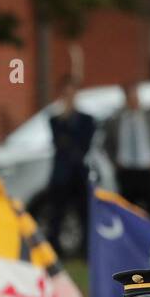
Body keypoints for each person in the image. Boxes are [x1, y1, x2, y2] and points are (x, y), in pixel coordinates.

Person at [43, 76, 95, 256]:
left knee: (84, 214)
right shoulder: (56, 120)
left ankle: (86, 250)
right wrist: (65, 120)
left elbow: (84, 144)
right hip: (61, 174)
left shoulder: (87, 119)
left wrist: (70, 141)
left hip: (79, 173)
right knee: (56, 213)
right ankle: (53, 250)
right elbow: (59, 142)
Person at [103, 82, 150, 214]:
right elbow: (107, 143)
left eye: (135, 95)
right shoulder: (117, 120)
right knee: (127, 209)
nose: (133, 99)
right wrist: (114, 162)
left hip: (147, 168)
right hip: (126, 169)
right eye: (130, 96)